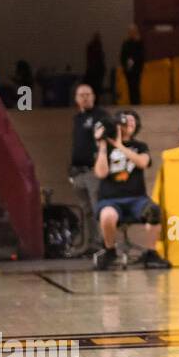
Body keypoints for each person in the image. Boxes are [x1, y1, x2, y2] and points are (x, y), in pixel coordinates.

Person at [92, 110, 171, 270]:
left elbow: (143, 162)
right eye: (125, 122)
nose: (129, 125)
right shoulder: (105, 148)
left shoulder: (140, 146)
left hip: (136, 198)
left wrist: (120, 146)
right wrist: (102, 145)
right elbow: (101, 173)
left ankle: (151, 253)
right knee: (107, 216)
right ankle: (110, 250)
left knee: (154, 211)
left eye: (132, 123)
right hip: (111, 199)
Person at [67, 81, 109, 255]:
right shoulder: (77, 118)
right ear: (76, 99)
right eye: (81, 95)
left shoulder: (101, 116)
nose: (85, 98)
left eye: (88, 94)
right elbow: (77, 145)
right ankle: (91, 243)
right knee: (86, 211)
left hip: (93, 171)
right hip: (78, 172)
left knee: (97, 207)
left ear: (93, 96)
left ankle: (105, 244)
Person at [119, 24, 144, 105]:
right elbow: (122, 56)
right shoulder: (126, 43)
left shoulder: (139, 43)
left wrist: (136, 62)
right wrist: (125, 65)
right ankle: (132, 102)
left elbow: (142, 56)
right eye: (130, 32)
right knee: (130, 87)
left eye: (133, 32)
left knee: (136, 86)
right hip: (128, 69)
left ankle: (137, 102)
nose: (132, 33)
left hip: (137, 69)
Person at [84, 31, 105, 98]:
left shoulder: (99, 46)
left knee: (96, 89)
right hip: (94, 71)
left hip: (97, 71)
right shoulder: (93, 47)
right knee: (95, 88)